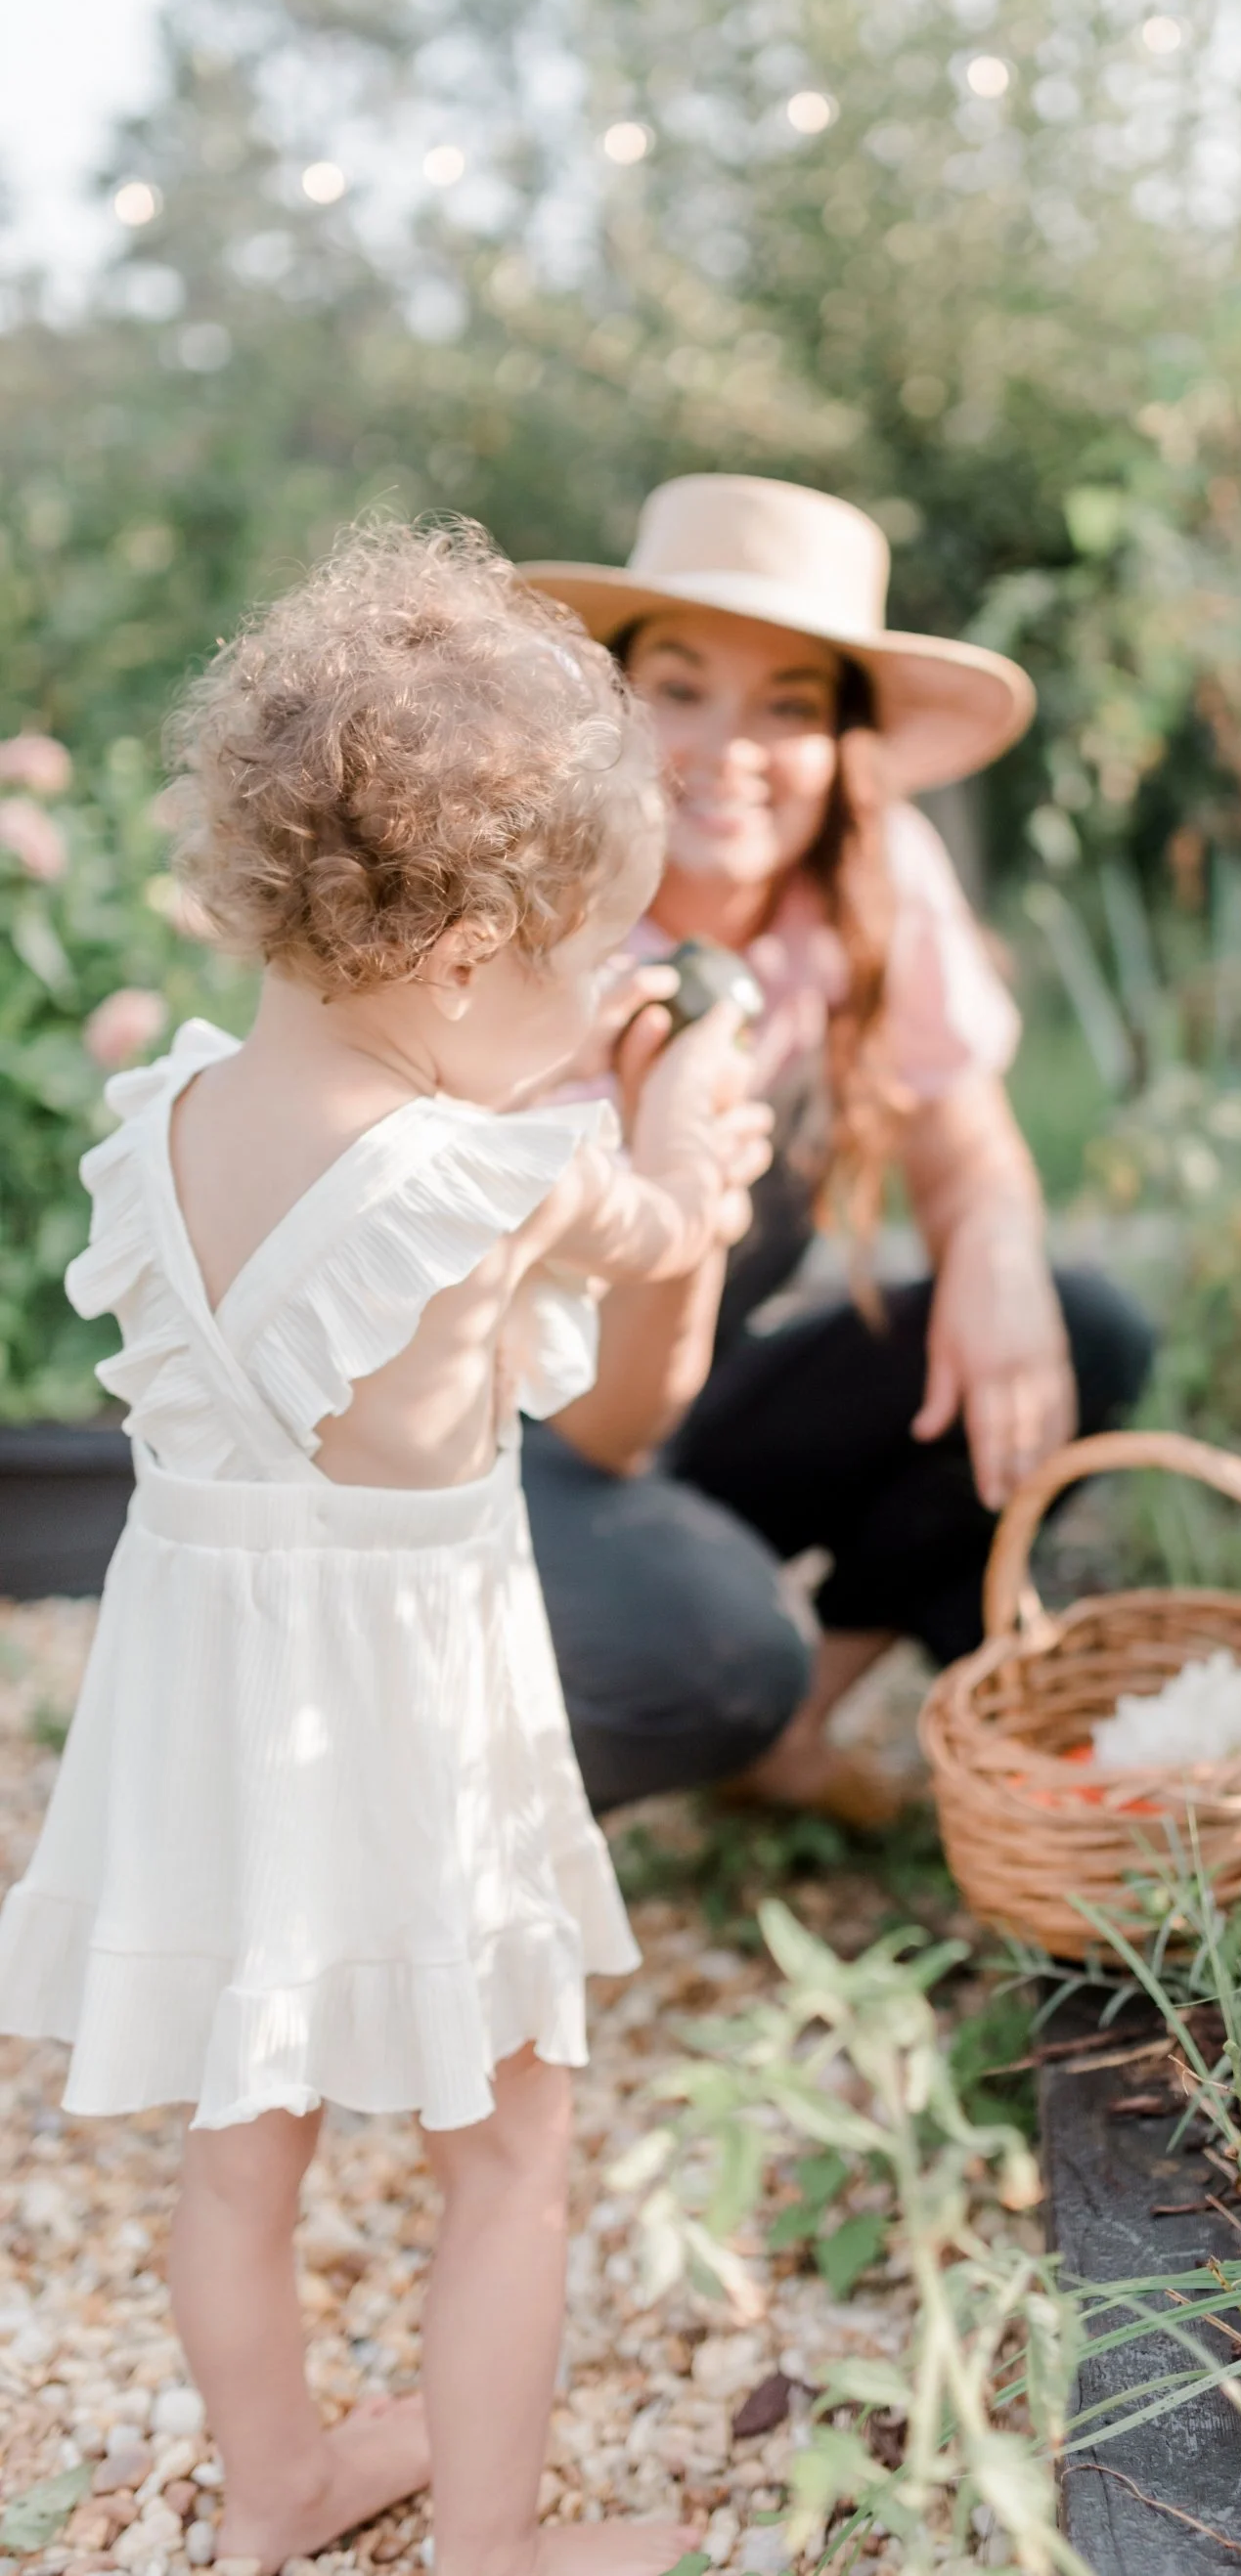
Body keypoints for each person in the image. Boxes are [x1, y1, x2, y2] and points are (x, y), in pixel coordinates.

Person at [0, 521, 771, 2576]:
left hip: (211, 1713)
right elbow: (668, 1222)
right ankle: (496, 2546)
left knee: (238, 2147)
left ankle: (276, 2486)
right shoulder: (500, 1173)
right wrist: (680, 1098)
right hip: (415, 1720)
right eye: (580, 958)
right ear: (454, 963)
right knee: (506, 2148)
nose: (597, 996)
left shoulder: (158, 1120)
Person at [520, 475, 1154, 1826]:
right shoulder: (535, 917)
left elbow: (966, 1141)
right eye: (681, 689)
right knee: (709, 1654)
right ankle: (490, 1773)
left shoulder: (864, 882)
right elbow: (586, 1405)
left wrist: (990, 1251)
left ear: (842, 741)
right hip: (505, 1433)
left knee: (1075, 1327)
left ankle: (788, 1737)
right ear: (614, 707)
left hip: (683, 1395)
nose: (728, 749)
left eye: (788, 706)